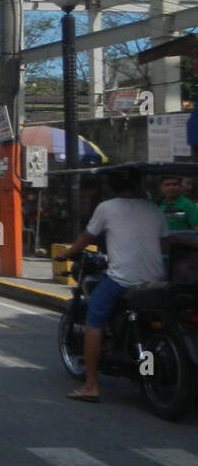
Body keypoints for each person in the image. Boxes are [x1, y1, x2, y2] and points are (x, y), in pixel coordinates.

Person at [61, 169, 170, 403]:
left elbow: (85, 238)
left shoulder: (107, 207)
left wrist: (66, 254)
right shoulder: (154, 209)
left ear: (112, 187)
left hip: (123, 280)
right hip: (156, 279)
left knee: (94, 317)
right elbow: (164, 246)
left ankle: (91, 385)